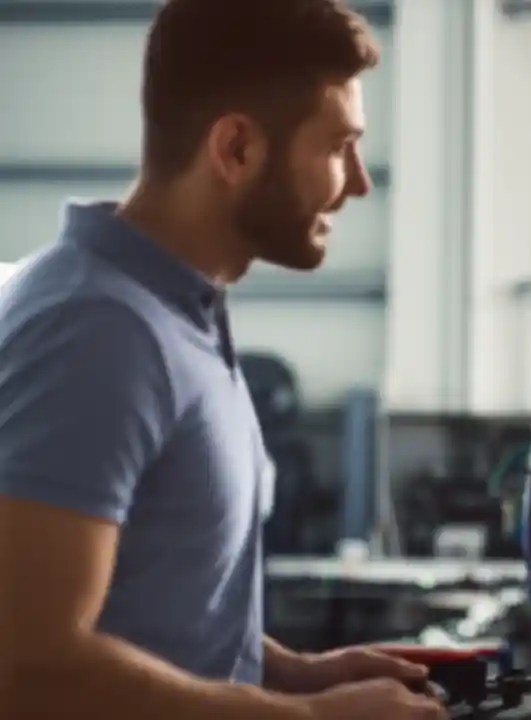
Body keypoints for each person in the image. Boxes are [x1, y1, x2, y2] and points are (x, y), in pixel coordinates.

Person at [0, 1, 445, 718]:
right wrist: (313, 719)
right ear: (236, 149)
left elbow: (159, 605)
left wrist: (296, 673)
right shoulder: (94, 330)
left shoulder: (178, 317)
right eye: (338, 147)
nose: (359, 182)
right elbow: (28, 667)